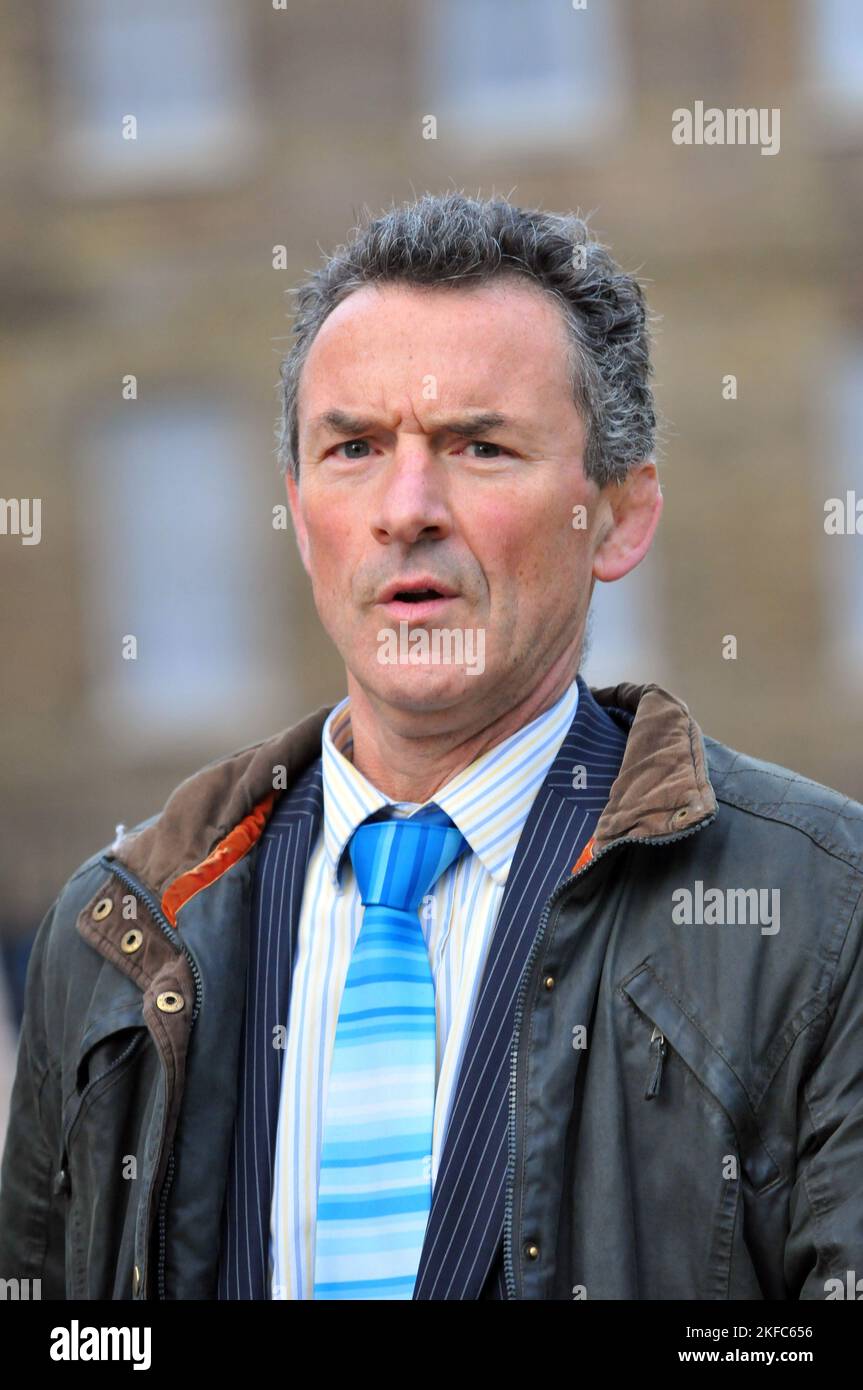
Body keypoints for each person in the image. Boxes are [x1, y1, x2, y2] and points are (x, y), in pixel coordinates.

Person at [1, 192, 861, 1302]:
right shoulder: (120, 930)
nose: (405, 508)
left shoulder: (819, 914)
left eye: (479, 445)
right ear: (299, 505)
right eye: (353, 446)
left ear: (617, 513)